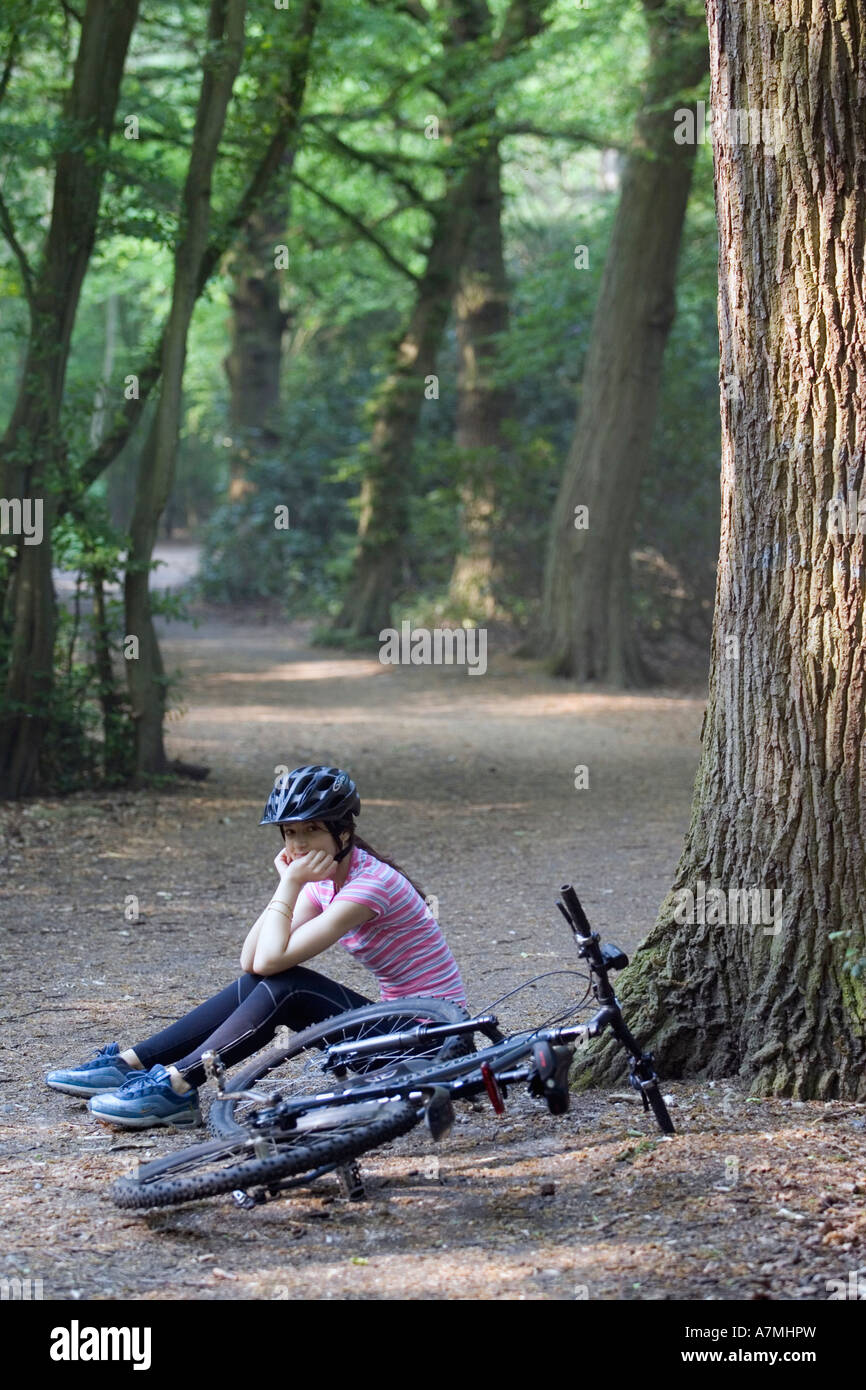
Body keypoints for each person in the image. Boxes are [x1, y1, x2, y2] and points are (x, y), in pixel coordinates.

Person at [44, 765, 468, 1130]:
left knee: (290, 987)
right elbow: (252, 961)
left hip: (432, 1045)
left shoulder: (369, 887)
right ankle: (131, 1065)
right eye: (290, 833)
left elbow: (269, 961)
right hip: (399, 1032)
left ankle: (177, 1085)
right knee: (262, 981)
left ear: (343, 831)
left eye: (312, 830)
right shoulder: (325, 880)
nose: (299, 845)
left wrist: (288, 882)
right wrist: (288, 885)